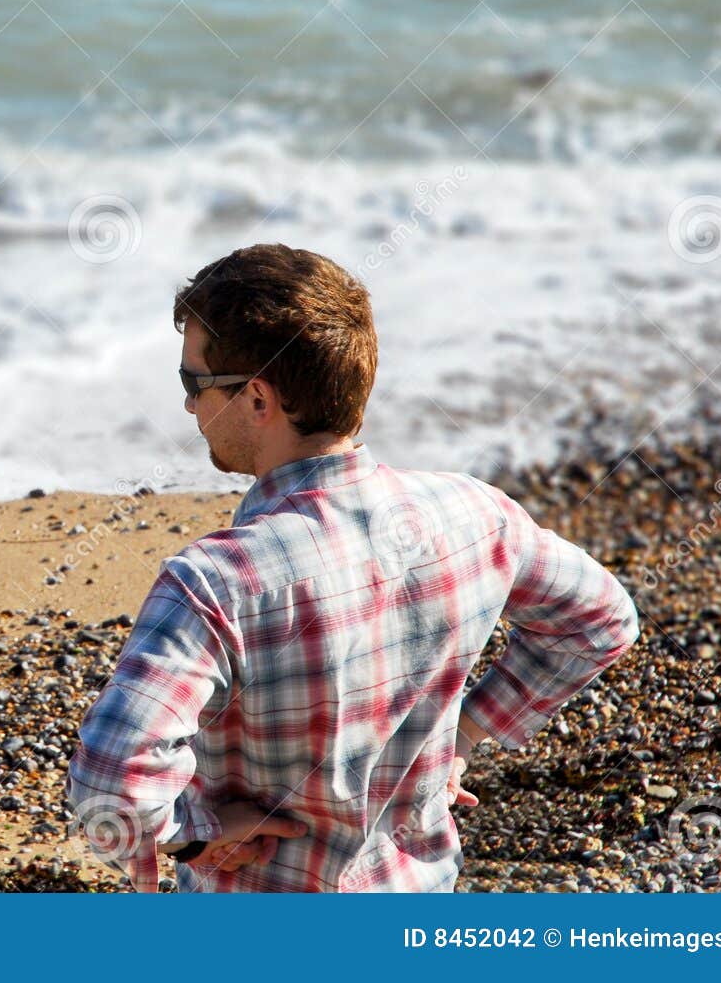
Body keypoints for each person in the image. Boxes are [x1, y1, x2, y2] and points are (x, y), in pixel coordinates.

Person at [67, 243, 638, 892]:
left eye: (192, 384)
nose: (190, 407)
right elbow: (601, 618)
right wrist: (466, 736)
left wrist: (193, 832)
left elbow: (109, 789)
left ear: (258, 398)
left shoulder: (215, 583)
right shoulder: (476, 516)